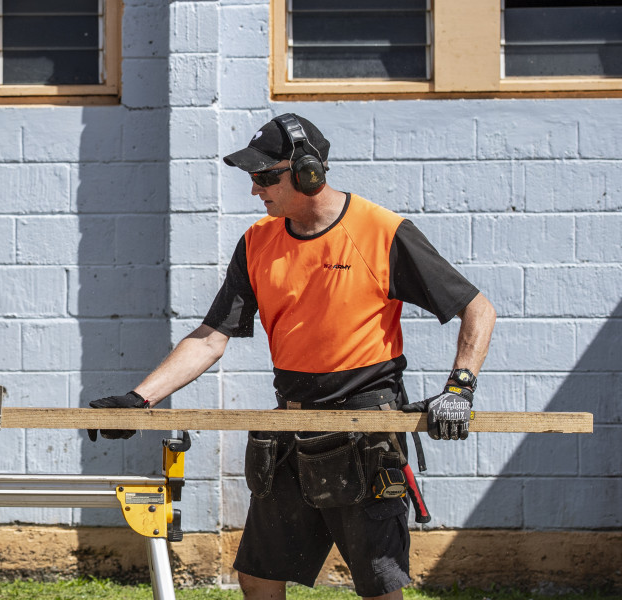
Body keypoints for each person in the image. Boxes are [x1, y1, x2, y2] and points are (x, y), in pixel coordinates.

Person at [88, 114, 496, 600]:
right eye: (251, 178)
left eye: (265, 177)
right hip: (290, 427)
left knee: (378, 585)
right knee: (259, 576)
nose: (256, 190)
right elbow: (211, 336)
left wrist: (459, 388)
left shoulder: (382, 232)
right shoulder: (259, 241)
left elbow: (477, 308)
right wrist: (141, 399)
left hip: (366, 433)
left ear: (308, 173)